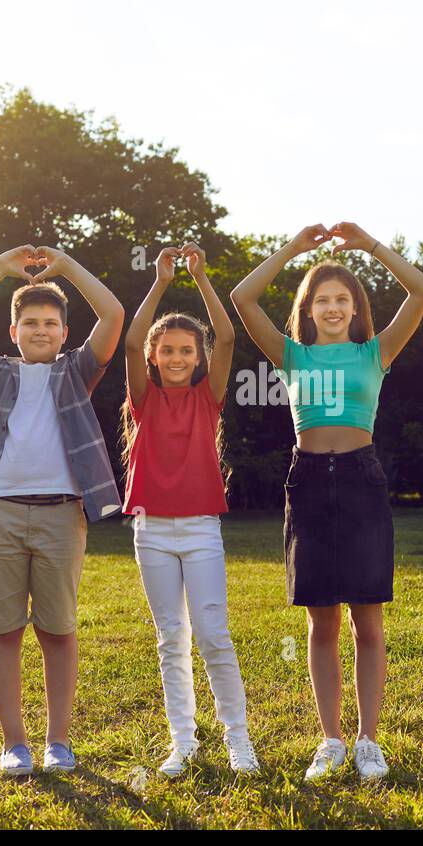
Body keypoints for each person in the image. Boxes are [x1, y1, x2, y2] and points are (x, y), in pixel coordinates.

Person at [231, 221, 423, 781]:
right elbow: (242, 296)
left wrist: (368, 244)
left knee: (368, 622)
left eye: (343, 298)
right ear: (308, 308)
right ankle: (332, 740)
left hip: (362, 478)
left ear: (356, 307)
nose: (333, 307)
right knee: (322, 623)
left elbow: (421, 291)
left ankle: (369, 739)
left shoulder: (376, 352)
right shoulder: (292, 356)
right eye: (322, 299)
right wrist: (295, 247)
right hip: (310, 482)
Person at [0, 244, 124, 776]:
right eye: (30, 322)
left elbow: (113, 314)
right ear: (14, 330)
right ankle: (14, 743)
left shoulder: (78, 372)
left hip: (62, 515)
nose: (41, 330)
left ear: (65, 333)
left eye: (50, 322)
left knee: (58, 630)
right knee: (1, 632)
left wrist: (67, 267)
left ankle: (58, 742)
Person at [121, 242, 258, 778]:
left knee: (213, 634)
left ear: (197, 359)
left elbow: (226, 335)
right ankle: (183, 741)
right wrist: (159, 281)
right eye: (168, 351)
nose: (177, 358)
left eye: (186, 351)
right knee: (170, 639)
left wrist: (200, 278)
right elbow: (131, 341)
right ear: (156, 357)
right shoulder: (144, 398)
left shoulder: (208, 397)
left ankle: (237, 739)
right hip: (151, 531)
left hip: (201, 530)